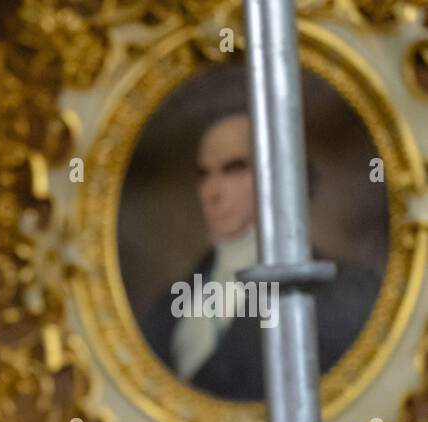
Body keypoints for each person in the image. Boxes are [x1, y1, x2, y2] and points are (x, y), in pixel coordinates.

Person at [140, 111, 379, 401]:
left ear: (280, 176)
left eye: (234, 169)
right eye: (204, 175)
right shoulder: (167, 311)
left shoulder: (351, 296)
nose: (212, 192)